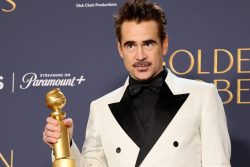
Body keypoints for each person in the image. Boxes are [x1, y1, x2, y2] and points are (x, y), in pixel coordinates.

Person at [43, 0, 231, 166]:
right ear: (120, 49)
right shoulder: (100, 108)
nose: (140, 56)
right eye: (131, 45)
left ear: (164, 44)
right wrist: (65, 145)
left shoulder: (202, 96)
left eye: (148, 44)